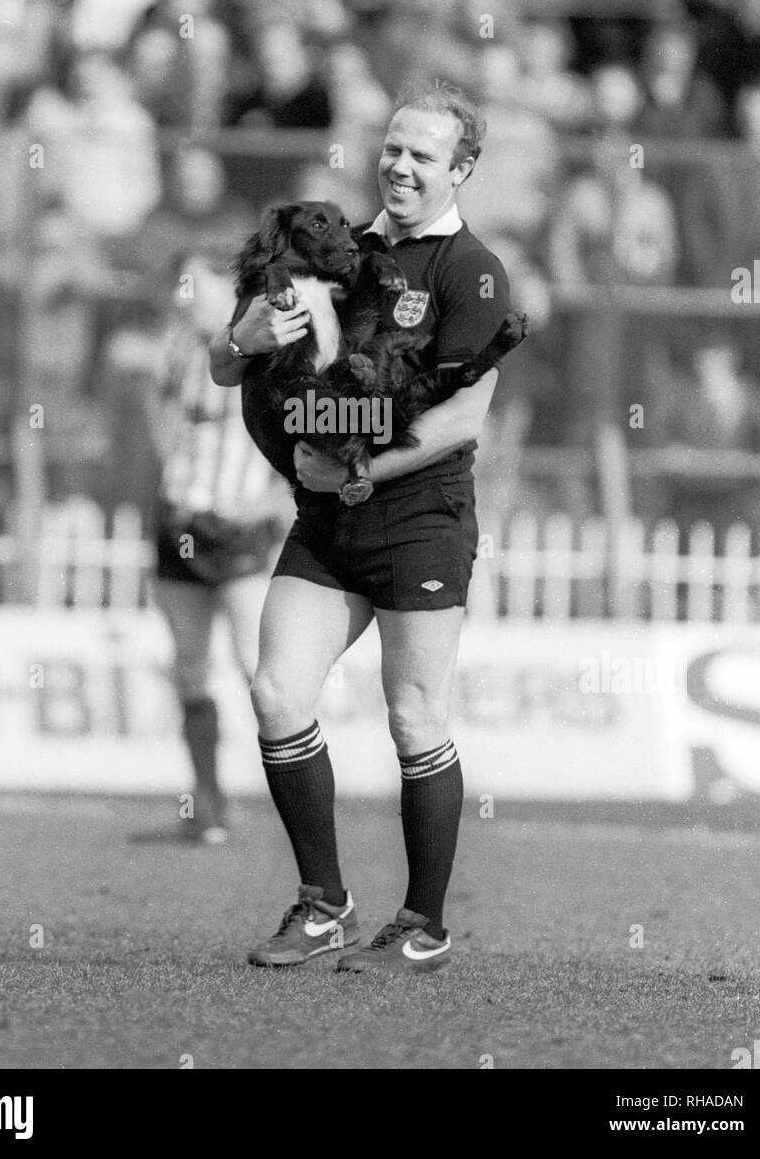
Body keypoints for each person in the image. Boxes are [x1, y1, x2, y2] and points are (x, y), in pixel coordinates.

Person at [209, 80, 513, 972]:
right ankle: (323, 903)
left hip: (420, 520)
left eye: (423, 154)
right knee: (275, 694)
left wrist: (353, 470)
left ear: (460, 169)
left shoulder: (473, 273)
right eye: (393, 147)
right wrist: (245, 338)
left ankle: (423, 926)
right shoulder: (329, 248)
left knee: (415, 718)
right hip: (326, 522)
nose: (401, 165)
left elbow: (459, 422)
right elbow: (229, 367)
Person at [143, 248, 291, 844]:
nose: (186, 297)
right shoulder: (178, 349)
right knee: (189, 668)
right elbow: (158, 409)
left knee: (261, 671)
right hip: (180, 526)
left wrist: (277, 495)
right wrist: (171, 477)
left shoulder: (273, 353)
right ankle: (208, 803)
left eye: (195, 285)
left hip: (240, 532)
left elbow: (306, 425)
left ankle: (296, 802)